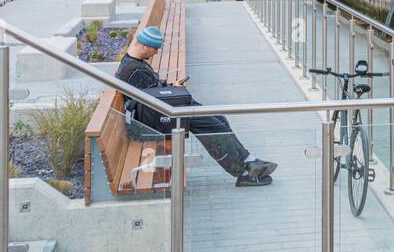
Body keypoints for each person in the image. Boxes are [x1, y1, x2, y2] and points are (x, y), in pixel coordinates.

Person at [117, 26, 276, 186]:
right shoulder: (134, 70)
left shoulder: (133, 63)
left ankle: (247, 160)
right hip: (158, 121)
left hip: (164, 111)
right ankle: (242, 171)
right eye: (155, 49)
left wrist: (170, 86)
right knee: (213, 126)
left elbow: (152, 92)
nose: (157, 53)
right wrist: (173, 91)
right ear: (145, 46)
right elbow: (153, 102)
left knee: (218, 118)